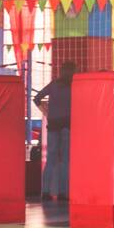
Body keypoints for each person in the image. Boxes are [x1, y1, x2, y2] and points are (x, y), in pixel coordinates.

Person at [34, 61, 75, 202]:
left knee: (51, 159)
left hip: (53, 125)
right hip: (67, 125)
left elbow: (37, 98)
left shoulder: (54, 84)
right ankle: (63, 193)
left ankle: (45, 192)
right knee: (65, 160)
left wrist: (46, 112)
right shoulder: (74, 86)